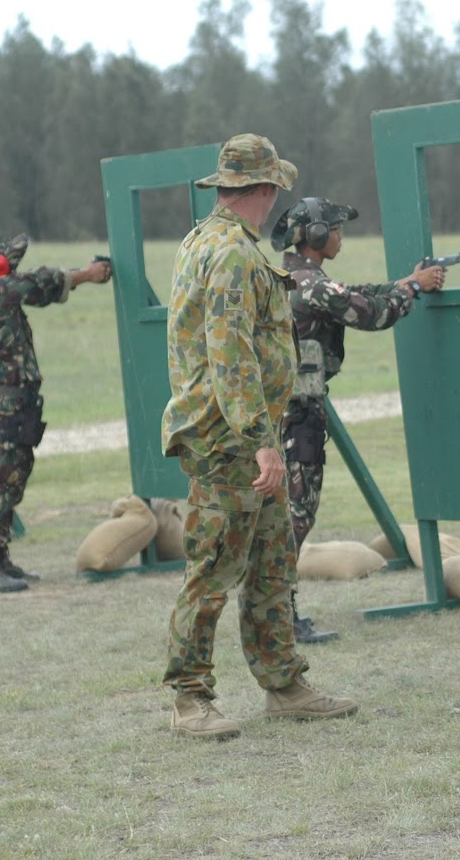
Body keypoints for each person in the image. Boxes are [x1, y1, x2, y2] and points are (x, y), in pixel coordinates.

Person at [160, 134, 358, 740]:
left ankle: (283, 684)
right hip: (229, 441)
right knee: (214, 568)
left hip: (245, 432)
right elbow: (231, 354)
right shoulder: (232, 255)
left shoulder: (209, 240)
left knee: (272, 563)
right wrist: (260, 442)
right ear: (267, 189)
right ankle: (189, 697)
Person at [270, 197, 446, 643]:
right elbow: (372, 313)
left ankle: (272, 613)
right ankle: (276, 618)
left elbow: (352, 293)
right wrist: (413, 288)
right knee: (295, 517)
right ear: (314, 235)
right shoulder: (311, 286)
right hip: (297, 416)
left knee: (283, 517)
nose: (339, 236)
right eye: (334, 229)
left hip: (281, 414)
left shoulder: (291, 278)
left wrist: (402, 282)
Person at [0, 232, 111, 592]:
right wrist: (87, 274)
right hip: (6, 400)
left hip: (14, 398)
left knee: (14, 474)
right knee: (1, 479)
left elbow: (28, 282)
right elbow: (37, 284)